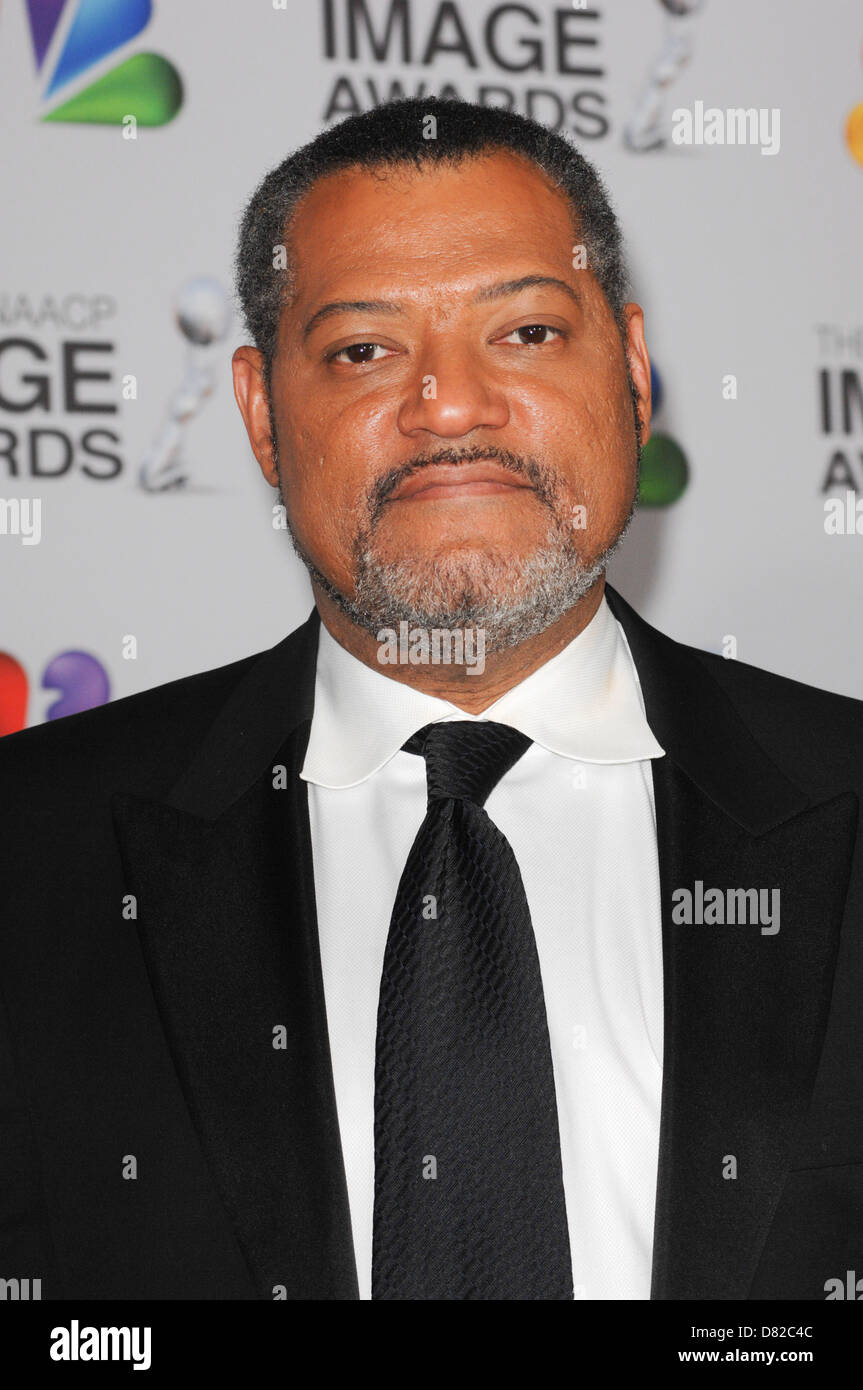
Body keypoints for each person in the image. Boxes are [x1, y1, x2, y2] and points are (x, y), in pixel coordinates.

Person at [1, 98, 861, 1302]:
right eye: (363, 350)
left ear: (629, 370)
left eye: (521, 331)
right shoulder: (32, 851)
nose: (449, 406)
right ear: (259, 414)